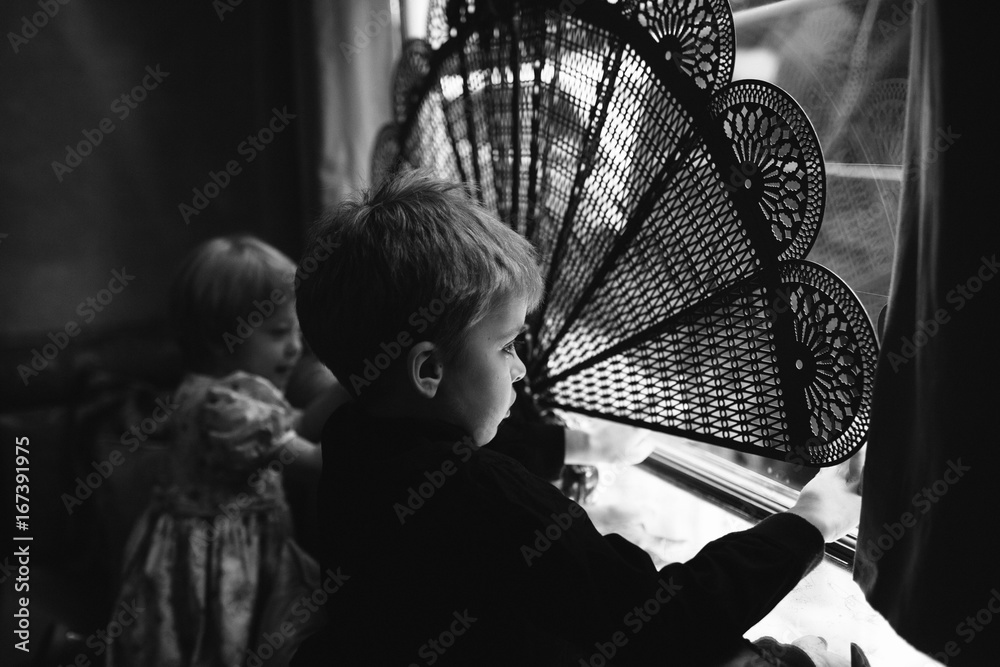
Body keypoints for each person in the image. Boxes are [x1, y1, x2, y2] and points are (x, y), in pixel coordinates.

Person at [291, 172, 862, 666]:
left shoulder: (353, 442)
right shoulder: (482, 495)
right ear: (428, 371)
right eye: (507, 346)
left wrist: (582, 446)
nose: (519, 371)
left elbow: (476, 456)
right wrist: (806, 525)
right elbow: (657, 621)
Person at [108, 235, 338, 667]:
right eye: (278, 332)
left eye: (297, 331)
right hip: (215, 561)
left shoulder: (229, 393)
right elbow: (314, 463)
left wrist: (348, 385)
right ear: (220, 338)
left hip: (232, 547)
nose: (295, 347)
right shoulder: (225, 408)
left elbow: (298, 425)